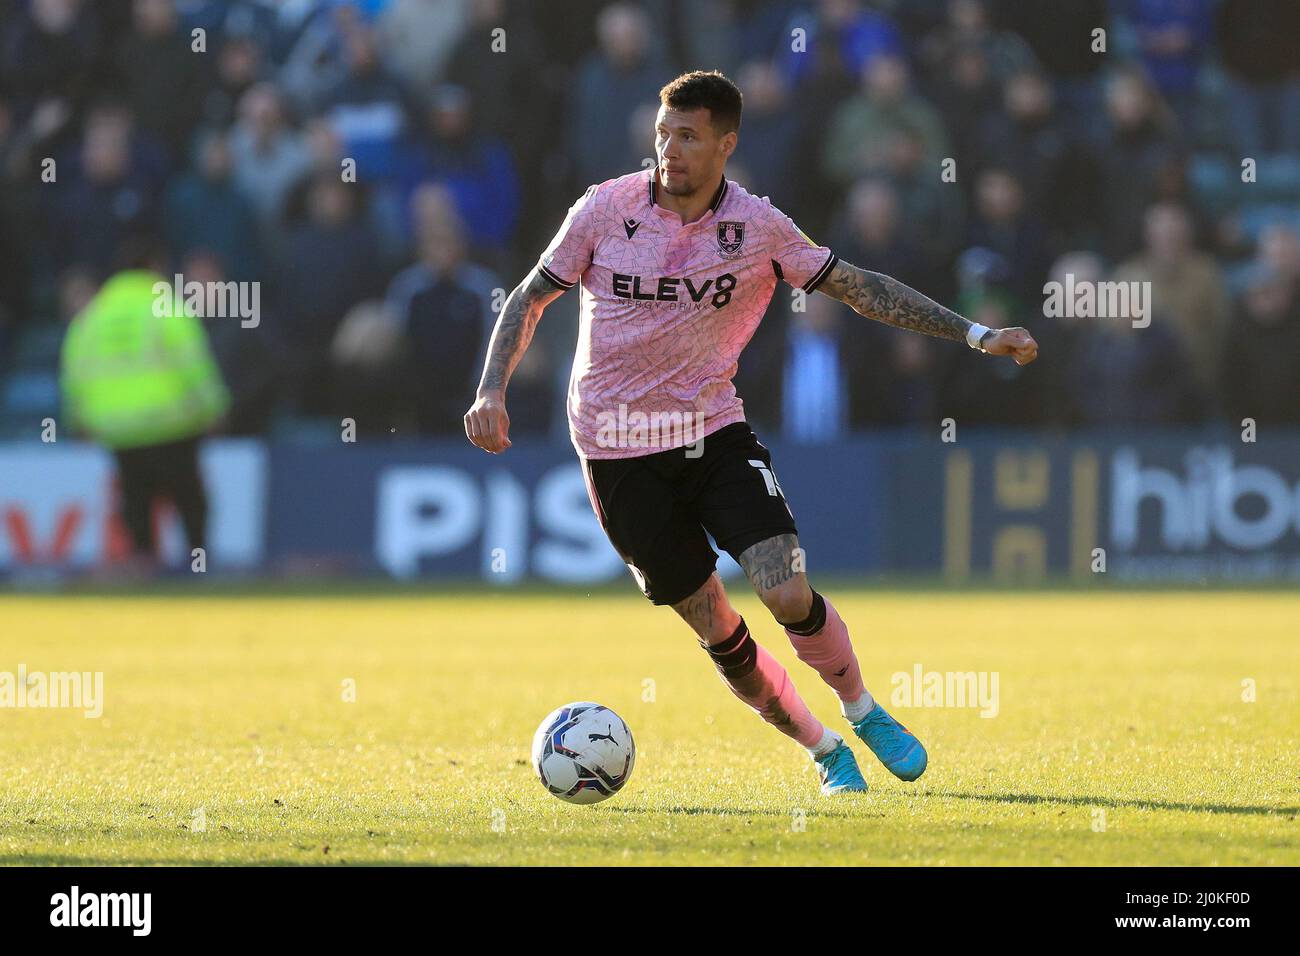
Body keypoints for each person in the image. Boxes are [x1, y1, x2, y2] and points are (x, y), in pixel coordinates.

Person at [463, 71, 1038, 796]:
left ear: (726, 144)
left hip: (712, 434)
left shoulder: (758, 227)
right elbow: (531, 296)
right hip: (615, 453)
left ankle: (861, 709)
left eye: (688, 136)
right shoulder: (604, 210)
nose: (669, 150)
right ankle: (825, 750)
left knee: (787, 590)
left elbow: (859, 289)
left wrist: (977, 333)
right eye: (662, 135)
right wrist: (491, 388)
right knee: (715, 626)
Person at [59, 239, 229, 566]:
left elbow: (72, 372)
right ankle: (199, 564)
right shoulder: (166, 307)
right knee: (188, 498)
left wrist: (77, 420)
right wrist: (214, 409)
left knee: (136, 499)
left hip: (118, 427)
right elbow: (194, 364)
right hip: (172, 423)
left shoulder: (94, 313)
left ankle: (143, 569)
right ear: (156, 266)